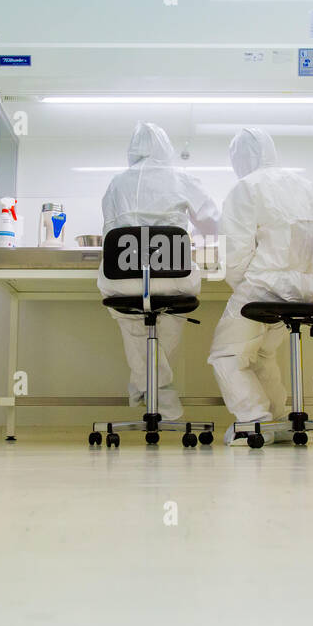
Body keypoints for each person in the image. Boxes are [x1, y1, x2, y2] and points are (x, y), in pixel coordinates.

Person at [207, 127, 313, 443]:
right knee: (262, 355)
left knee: (227, 354)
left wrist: (245, 288)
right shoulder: (310, 188)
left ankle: (254, 421)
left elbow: (233, 256)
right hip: (309, 292)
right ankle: (278, 422)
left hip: (265, 289)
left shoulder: (245, 188)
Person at [98, 122, 220, 421]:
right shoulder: (183, 178)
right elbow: (213, 224)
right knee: (165, 335)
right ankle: (161, 396)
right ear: (166, 148)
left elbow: (109, 228)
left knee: (135, 332)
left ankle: (146, 388)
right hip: (172, 280)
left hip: (123, 279)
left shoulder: (116, 183)